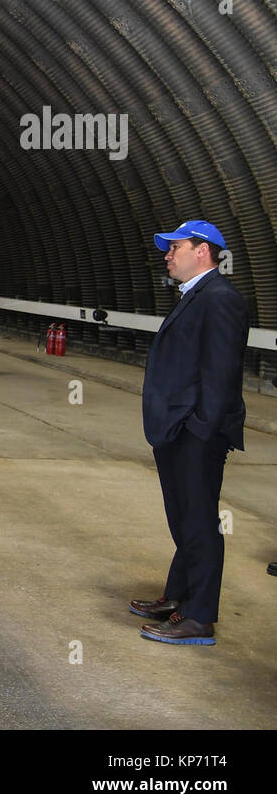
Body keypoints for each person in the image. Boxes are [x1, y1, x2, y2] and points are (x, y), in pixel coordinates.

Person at [132, 220, 247, 646]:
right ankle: (179, 596)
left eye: (174, 247)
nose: (167, 254)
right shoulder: (196, 295)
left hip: (196, 434)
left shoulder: (219, 299)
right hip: (177, 430)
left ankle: (199, 615)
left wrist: (199, 430)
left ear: (203, 251)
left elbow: (221, 374)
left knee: (199, 522)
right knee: (184, 518)